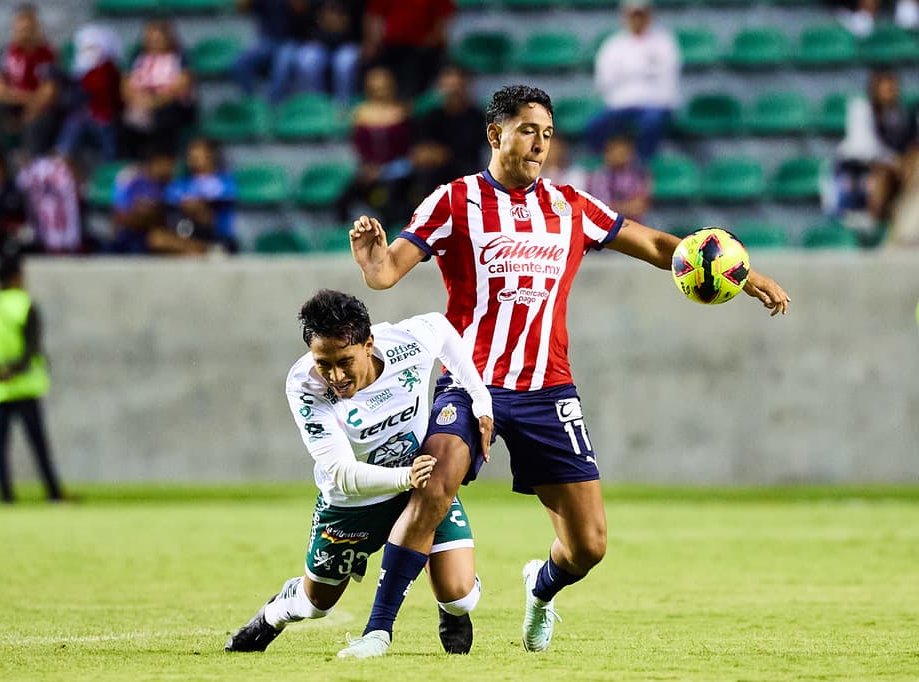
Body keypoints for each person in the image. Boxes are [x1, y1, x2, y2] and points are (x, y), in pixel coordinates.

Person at [349, 84, 790, 653]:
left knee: (589, 546)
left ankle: (542, 587)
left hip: (547, 387)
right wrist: (371, 261)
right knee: (435, 484)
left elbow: (656, 244)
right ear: (495, 133)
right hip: (471, 380)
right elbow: (386, 275)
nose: (540, 144)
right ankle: (377, 631)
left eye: (549, 134)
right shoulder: (453, 201)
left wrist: (741, 274)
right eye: (529, 130)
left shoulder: (570, 206)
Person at [224, 289, 493, 656]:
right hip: (353, 503)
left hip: (415, 490)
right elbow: (341, 472)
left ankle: (450, 612)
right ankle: (275, 613)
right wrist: (405, 477)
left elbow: (443, 329)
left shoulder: (407, 343)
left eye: (344, 361)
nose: (334, 375)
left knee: (460, 596)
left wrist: (480, 399)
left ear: (369, 344)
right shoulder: (304, 385)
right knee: (316, 604)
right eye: (323, 363)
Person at [0, 254, 65, 504]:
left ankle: (6, 496)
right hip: (25, 386)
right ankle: (53, 493)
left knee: (0, 447)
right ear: (16, 277)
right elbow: (32, 345)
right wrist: (15, 370)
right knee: (39, 445)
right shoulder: (24, 304)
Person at [585, 0, 680, 161]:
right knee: (595, 126)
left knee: (651, 123)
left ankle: (642, 165)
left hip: (654, 104)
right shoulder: (613, 45)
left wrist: (628, 74)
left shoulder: (664, 42)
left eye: (641, 15)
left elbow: (668, 78)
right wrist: (643, 72)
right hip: (620, 105)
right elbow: (604, 81)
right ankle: (608, 165)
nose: (637, 20)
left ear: (649, 16)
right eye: (633, 15)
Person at [833, 70, 917, 235]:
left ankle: (900, 218)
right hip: (856, 164)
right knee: (883, 174)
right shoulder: (861, 108)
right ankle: (873, 218)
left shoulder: (898, 114)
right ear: (875, 89)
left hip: (889, 164)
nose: (890, 92)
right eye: (885, 89)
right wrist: (894, 162)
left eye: (893, 88)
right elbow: (864, 147)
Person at [336, 65, 413, 226]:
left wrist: (384, 169)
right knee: (345, 197)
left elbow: (406, 149)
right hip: (369, 169)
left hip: (398, 170)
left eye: (383, 85)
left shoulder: (402, 112)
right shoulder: (360, 113)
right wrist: (368, 168)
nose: (379, 89)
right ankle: (344, 236)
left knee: (392, 200)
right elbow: (360, 147)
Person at [409, 64, 487, 205]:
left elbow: (470, 147)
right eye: (449, 87)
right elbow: (421, 147)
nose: (453, 92)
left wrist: (444, 154)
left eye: (457, 87)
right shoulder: (432, 115)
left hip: (465, 167)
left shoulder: (477, 116)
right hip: (435, 168)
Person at [0, 4, 60, 156]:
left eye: (29, 30)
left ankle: (33, 163)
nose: (24, 35)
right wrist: (26, 98)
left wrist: (25, 114)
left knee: (39, 119)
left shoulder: (47, 55)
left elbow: (48, 94)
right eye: (20, 30)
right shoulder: (5, 54)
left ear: (36, 29)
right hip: (16, 104)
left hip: (38, 108)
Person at [119, 20, 196, 157]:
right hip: (140, 103)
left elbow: (181, 85)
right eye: (149, 39)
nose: (153, 42)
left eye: (157, 39)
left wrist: (153, 103)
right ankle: (132, 162)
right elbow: (125, 85)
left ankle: (162, 160)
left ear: (168, 39)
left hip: (170, 105)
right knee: (122, 122)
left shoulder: (180, 57)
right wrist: (137, 101)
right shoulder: (137, 57)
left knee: (163, 118)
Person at [55, 24, 123, 164]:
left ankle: (108, 168)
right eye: (85, 48)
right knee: (72, 127)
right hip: (79, 117)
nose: (89, 53)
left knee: (106, 132)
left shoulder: (109, 71)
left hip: (105, 118)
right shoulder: (74, 73)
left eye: (93, 48)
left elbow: (112, 98)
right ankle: (61, 162)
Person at [164, 137, 238, 252]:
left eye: (198, 155)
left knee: (203, 211)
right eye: (191, 155)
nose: (193, 159)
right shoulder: (180, 184)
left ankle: (210, 248)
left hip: (216, 234)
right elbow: (170, 200)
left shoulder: (224, 181)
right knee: (158, 237)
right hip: (185, 233)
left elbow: (220, 200)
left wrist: (196, 205)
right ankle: (199, 249)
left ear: (211, 156)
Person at [586, 135, 652, 223]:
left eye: (623, 152)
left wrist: (616, 207)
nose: (618, 155)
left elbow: (638, 207)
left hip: (635, 225)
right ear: (606, 153)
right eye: (614, 151)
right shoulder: (597, 177)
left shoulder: (640, 174)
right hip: (605, 226)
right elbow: (600, 209)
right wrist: (627, 207)